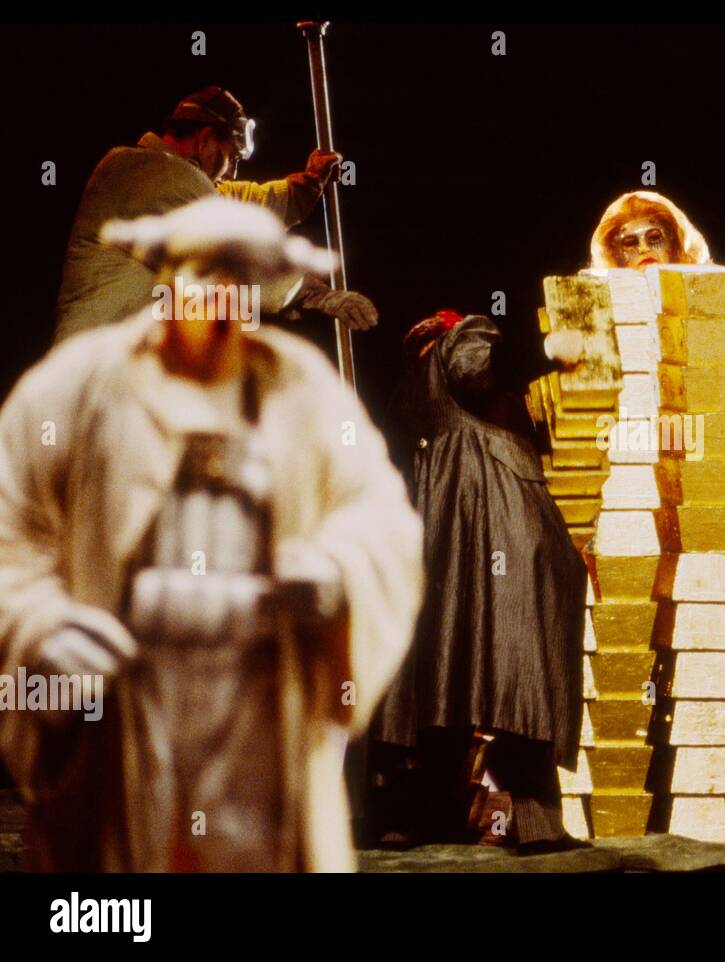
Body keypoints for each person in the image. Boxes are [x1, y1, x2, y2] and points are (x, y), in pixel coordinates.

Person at [0, 196, 422, 871]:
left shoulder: (300, 386)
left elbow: (378, 513)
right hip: (129, 698)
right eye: (206, 273)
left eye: (241, 279)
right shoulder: (73, 389)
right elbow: (10, 528)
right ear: (168, 278)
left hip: (257, 699)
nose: (223, 296)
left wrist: (338, 569)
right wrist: (42, 627)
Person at [373, 309, 591, 854]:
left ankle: (417, 818)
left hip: (440, 530)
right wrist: (548, 348)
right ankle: (536, 823)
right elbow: (478, 367)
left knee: (443, 678)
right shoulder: (468, 335)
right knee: (519, 661)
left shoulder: (406, 397)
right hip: (498, 518)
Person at [54, 85, 377, 343]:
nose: (232, 173)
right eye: (231, 159)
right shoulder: (141, 171)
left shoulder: (177, 180)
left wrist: (309, 183)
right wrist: (313, 293)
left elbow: (246, 205)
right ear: (206, 140)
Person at [588, 190, 711, 270]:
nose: (644, 249)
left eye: (654, 238)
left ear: (674, 246)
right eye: (630, 243)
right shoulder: (604, 309)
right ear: (615, 256)